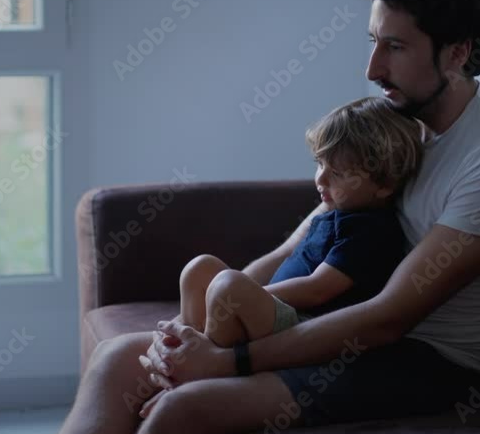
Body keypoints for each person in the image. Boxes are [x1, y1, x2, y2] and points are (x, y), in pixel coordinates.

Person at [51, 0, 480, 434]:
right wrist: (188, 331)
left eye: (396, 47)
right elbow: (299, 242)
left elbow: (389, 317)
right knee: (119, 360)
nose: (373, 67)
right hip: (352, 323)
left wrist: (223, 363)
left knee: (186, 405)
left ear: (457, 53)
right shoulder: (398, 125)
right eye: (374, 41)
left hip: (433, 361)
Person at [177, 97, 423, 350]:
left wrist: (253, 294)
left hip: (303, 325)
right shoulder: (337, 211)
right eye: (320, 164)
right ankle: (183, 343)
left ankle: (205, 359)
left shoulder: (371, 231)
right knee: (200, 268)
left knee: (228, 287)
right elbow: (285, 255)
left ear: (385, 185)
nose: (321, 179)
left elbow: (317, 289)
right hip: (277, 312)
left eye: (337, 173)